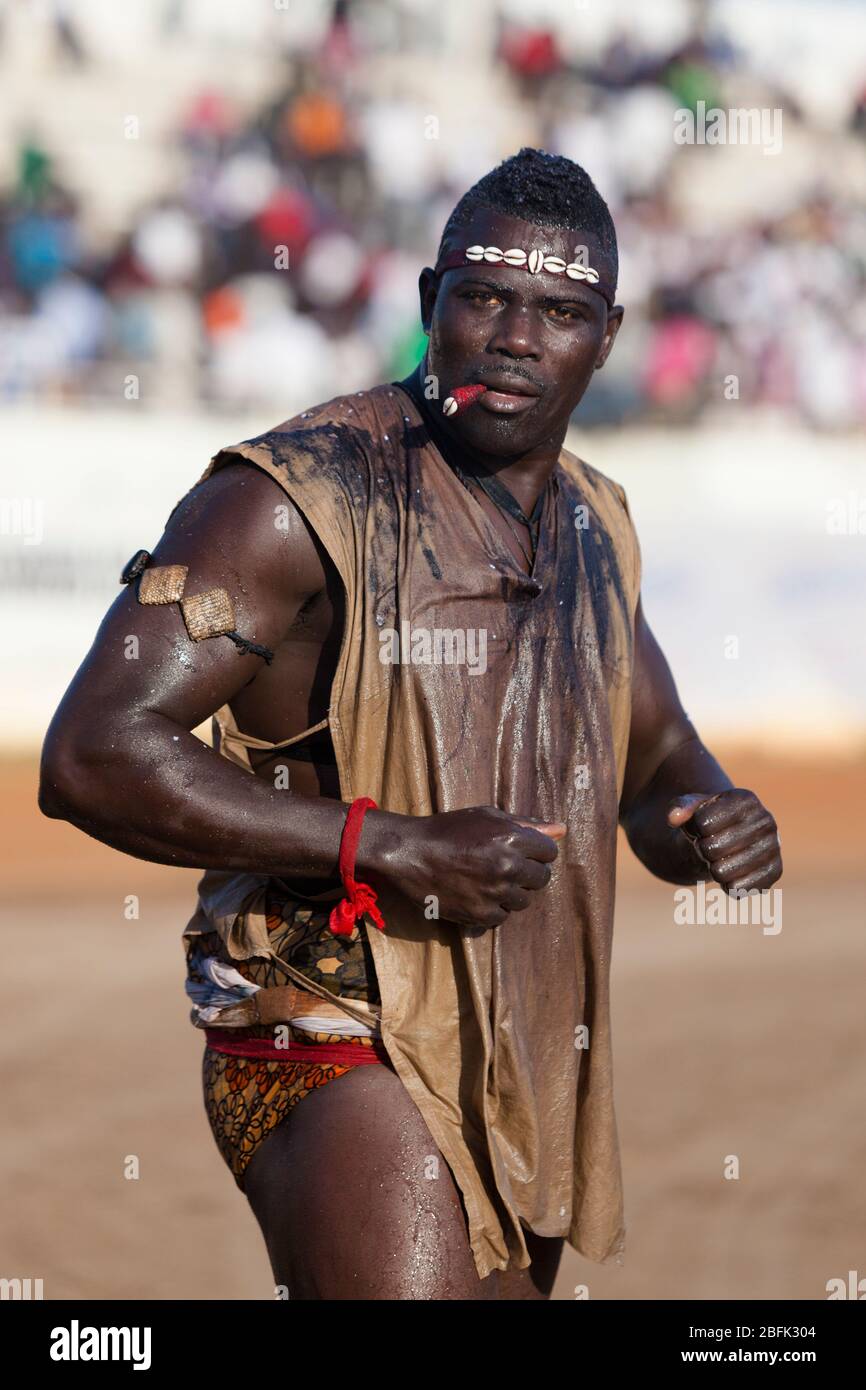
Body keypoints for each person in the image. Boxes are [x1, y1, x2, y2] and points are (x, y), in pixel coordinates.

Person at [39, 148, 782, 1301]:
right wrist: (384, 843)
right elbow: (92, 753)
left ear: (609, 334)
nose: (515, 337)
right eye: (484, 298)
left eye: (558, 311)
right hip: (325, 1022)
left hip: (519, 1044)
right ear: (430, 301)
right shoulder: (289, 498)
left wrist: (703, 815)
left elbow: (653, 759)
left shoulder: (592, 525)